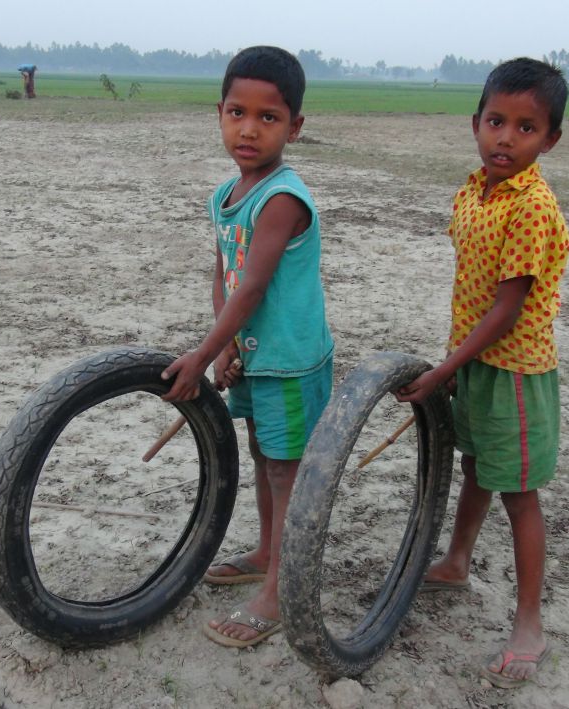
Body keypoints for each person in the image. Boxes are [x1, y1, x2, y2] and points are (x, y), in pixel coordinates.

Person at [395, 57, 569, 689]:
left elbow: (507, 307)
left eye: (526, 128)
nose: (506, 137)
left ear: (549, 140)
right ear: (475, 123)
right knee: (475, 465)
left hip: (512, 372)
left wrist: (445, 368)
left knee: (519, 493)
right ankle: (458, 559)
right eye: (496, 121)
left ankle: (530, 624)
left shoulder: (532, 208)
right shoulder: (475, 192)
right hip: (471, 358)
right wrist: (454, 363)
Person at [161, 46, 333, 649]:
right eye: (237, 112)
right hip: (256, 356)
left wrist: (204, 354)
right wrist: (228, 341)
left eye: (269, 117)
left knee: (286, 470)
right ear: (220, 112)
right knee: (264, 454)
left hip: (288, 361)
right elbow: (224, 276)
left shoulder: (282, 198)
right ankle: (266, 551)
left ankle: (281, 588)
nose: (249, 129)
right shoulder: (225, 196)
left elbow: (256, 282)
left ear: (296, 127)